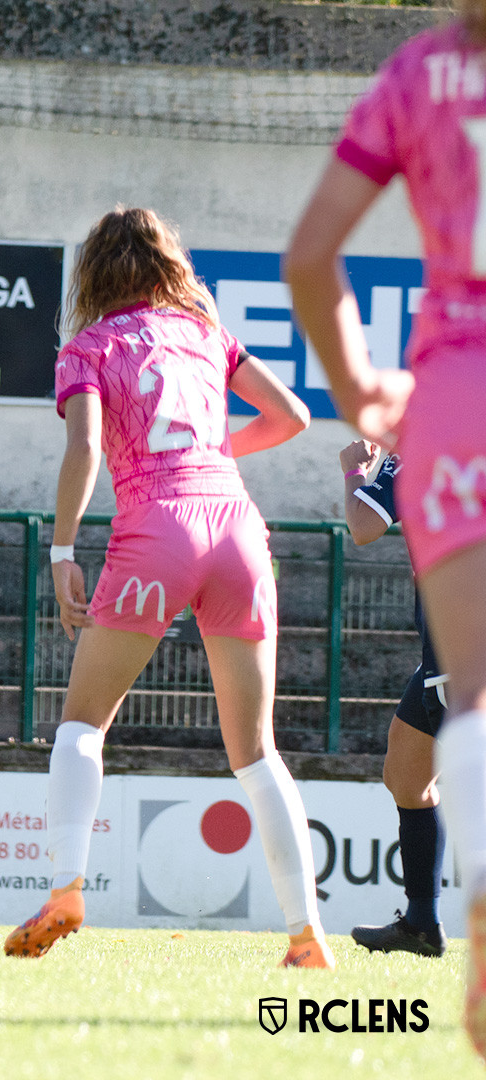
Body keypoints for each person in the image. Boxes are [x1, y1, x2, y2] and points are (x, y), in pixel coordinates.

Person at [6, 207, 325, 967]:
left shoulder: (88, 346)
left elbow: (85, 447)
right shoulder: (208, 335)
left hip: (159, 526)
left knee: (83, 727)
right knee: (255, 752)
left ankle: (67, 888)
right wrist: (218, 452)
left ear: (93, 275)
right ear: (167, 265)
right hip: (239, 528)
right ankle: (306, 936)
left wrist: (59, 551)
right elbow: (294, 416)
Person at [286, 5, 486, 1032]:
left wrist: (364, 400)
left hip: (462, 400)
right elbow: (371, 521)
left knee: (460, 731)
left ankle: (449, 921)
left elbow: (310, 257)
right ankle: (424, 918)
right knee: (413, 772)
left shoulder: (425, 73)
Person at [341, 443, 447, 956]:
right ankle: (422, 922)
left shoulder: (420, 438)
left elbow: (363, 526)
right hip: (443, 647)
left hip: (463, 636)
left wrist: (353, 471)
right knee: (406, 773)